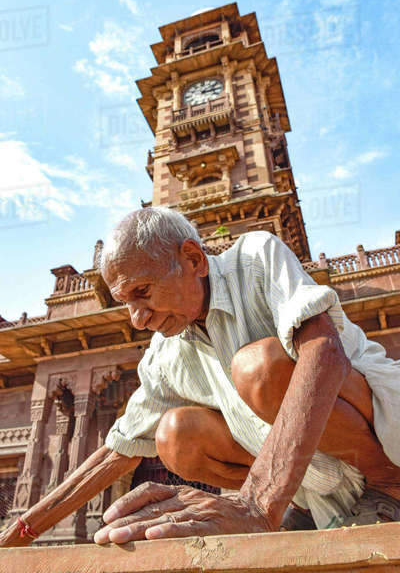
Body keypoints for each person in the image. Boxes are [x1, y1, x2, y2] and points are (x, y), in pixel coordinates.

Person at [1, 207, 399, 548]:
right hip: (311, 477)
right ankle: (297, 504)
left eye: (143, 291)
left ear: (193, 259)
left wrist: (257, 503)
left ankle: (387, 487)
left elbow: (323, 352)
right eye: (126, 303)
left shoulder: (256, 257)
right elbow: (117, 450)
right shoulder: (166, 352)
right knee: (174, 434)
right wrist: (17, 535)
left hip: (382, 437)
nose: (138, 320)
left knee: (258, 368)